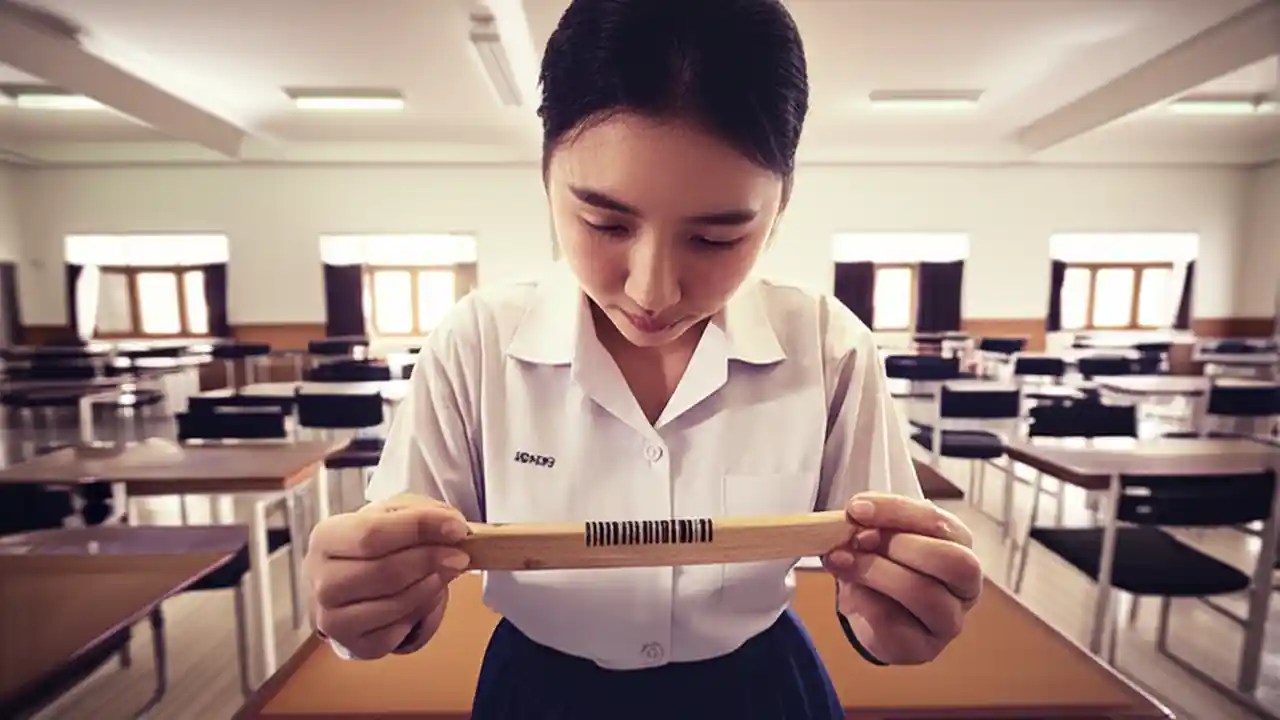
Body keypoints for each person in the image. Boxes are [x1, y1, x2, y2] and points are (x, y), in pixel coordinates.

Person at [302, 0, 982, 716]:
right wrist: (371, 600)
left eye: (717, 239)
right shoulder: (476, 344)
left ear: (781, 205)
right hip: (541, 693)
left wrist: (896, 619)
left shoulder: (828, 345)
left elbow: (874, 593)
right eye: (604, 223)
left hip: (760, 688)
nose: (651, 290)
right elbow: (401, 590)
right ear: (545, 178)